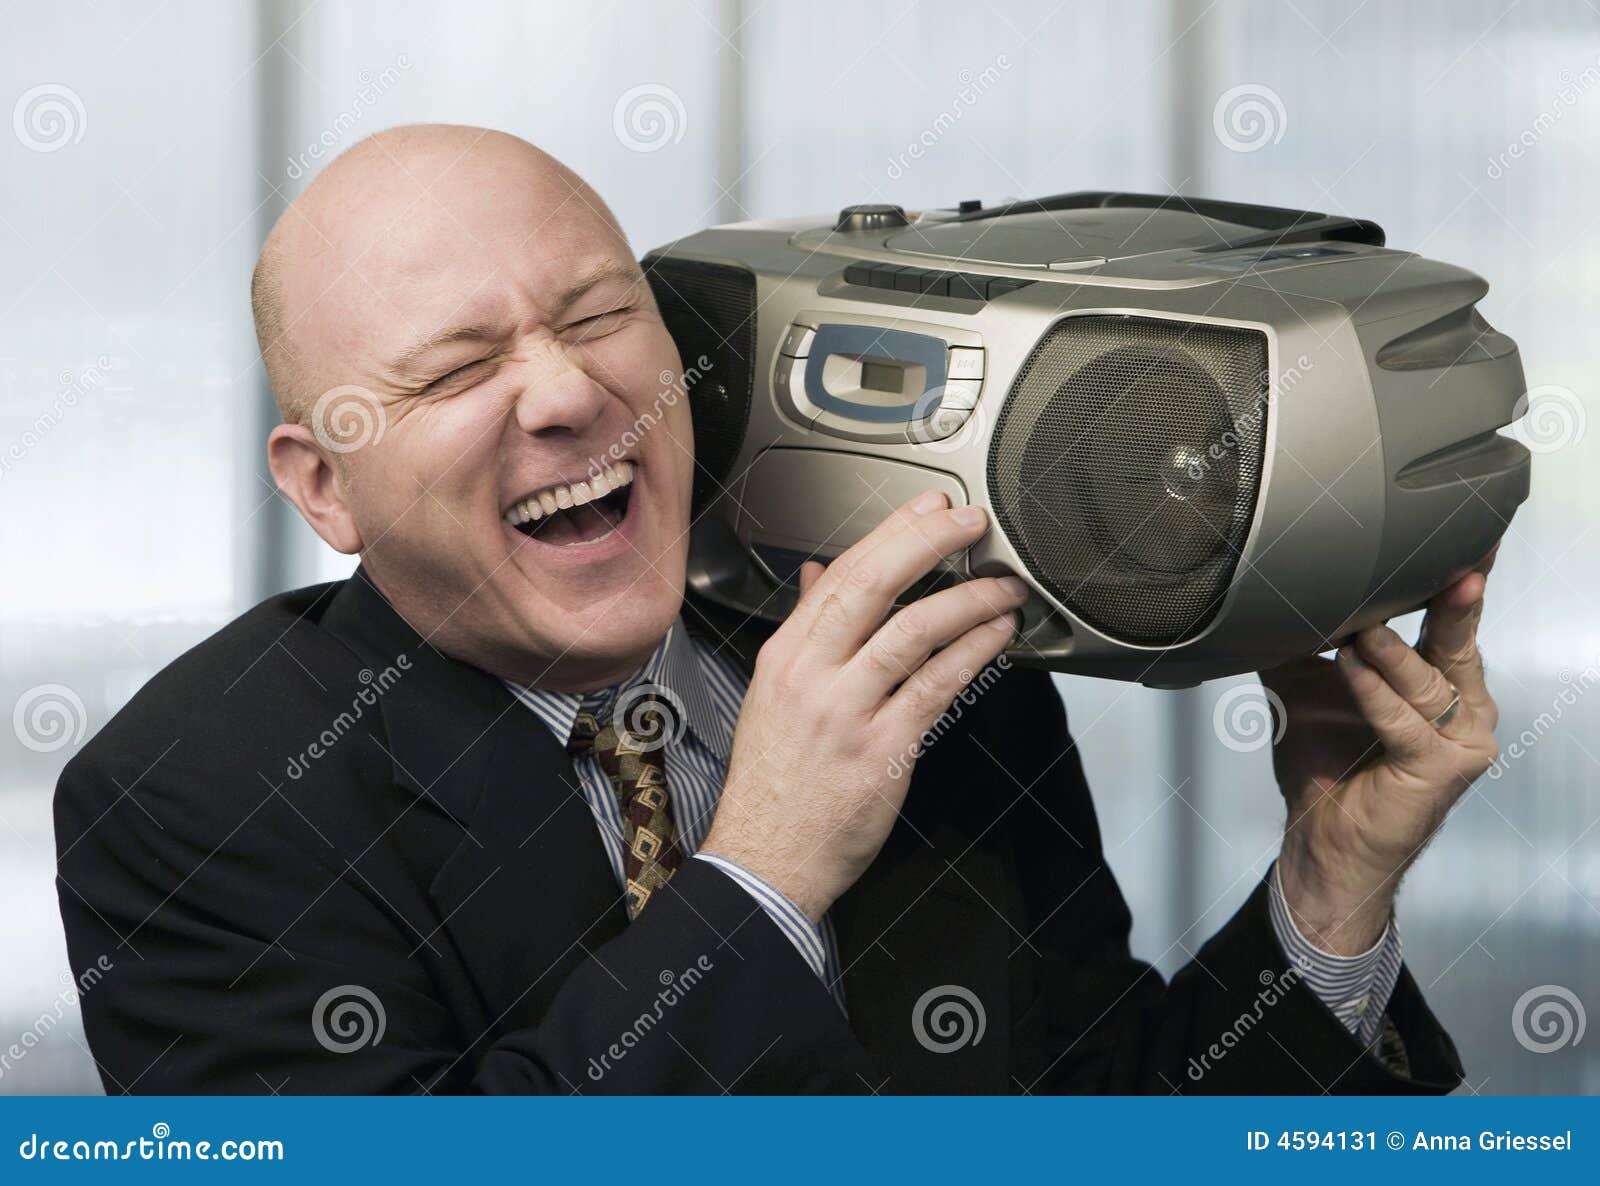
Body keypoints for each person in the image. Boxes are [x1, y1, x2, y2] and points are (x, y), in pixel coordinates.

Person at [55, 125, 1500, 1094]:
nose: (566, 395)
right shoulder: (199, 800)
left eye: (600, 312)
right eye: (454, 371)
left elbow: (1101, 1116)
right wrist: (761, 875)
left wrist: (1330, 888)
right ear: (326, 486)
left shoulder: (930, 667)